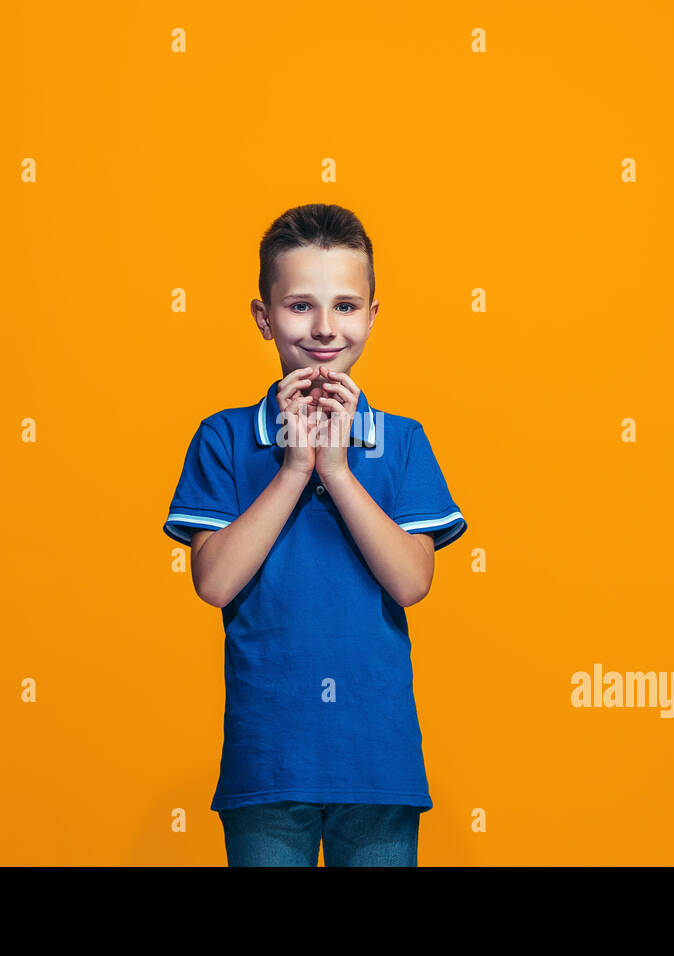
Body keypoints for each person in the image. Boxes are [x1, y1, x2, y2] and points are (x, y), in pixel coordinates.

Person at [162, 203, 467, 866]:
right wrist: (297, 467)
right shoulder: (225, 437)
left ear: (372, 316)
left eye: (346, 306)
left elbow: (412, 582)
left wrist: (338, 468)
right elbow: (214, 582)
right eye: (300, 306)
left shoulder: (402, 441)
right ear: (263, 316)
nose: (325, 328)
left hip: (377, 758)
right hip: (267, 757)